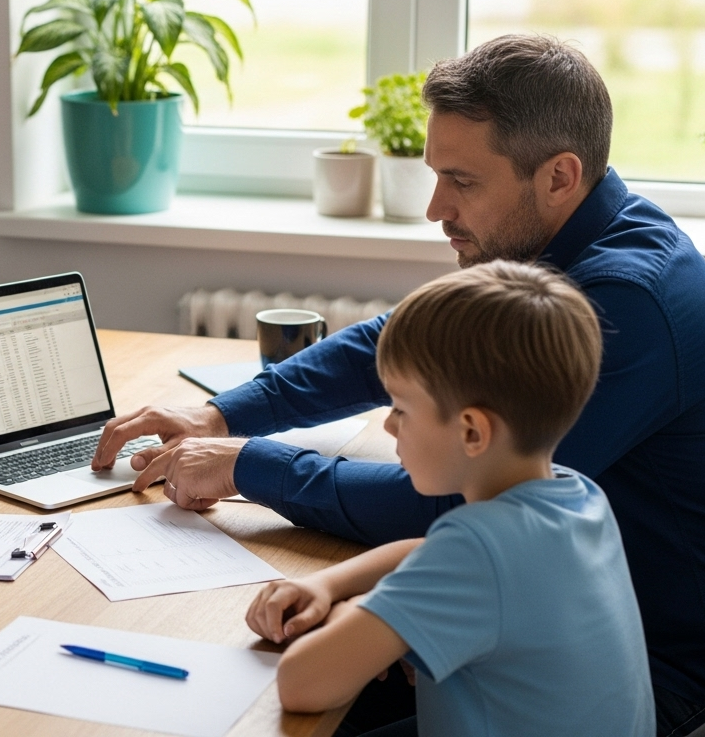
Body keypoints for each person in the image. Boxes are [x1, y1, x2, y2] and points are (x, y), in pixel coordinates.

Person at [93, 34, 705, 734]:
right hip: (561, 639)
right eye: (436, 175)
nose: (435, 208)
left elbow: (445, 507)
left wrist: (250, 465)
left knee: (263, 706)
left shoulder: (624, 304)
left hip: (675, 682)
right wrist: (223, 418)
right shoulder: (555, 253)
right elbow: (399, 343)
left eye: (463, 181)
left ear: (559, 177)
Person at [248, 261, 652, 736]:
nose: (389, 424)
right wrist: (330, 584)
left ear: (472, 431)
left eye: (400, 407)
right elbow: (430, 550)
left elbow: (301, 683)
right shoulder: (577, 495)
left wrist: (359, 616)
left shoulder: (475, 553)